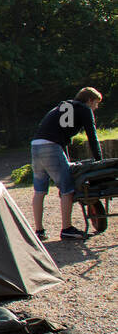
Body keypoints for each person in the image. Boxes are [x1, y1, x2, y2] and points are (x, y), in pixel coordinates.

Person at [30, 87, 104, 241]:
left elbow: (61, 135)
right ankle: (66, 229)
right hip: (51, 146)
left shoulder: (63, 107)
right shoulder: (84, 109)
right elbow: (92, 136)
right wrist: (99, 161)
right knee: (67, 189)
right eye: (96, 103)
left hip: (36, 145)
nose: (96, 107)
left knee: (40, 190)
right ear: (89, 100)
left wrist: (66, 160)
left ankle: (38, 230)